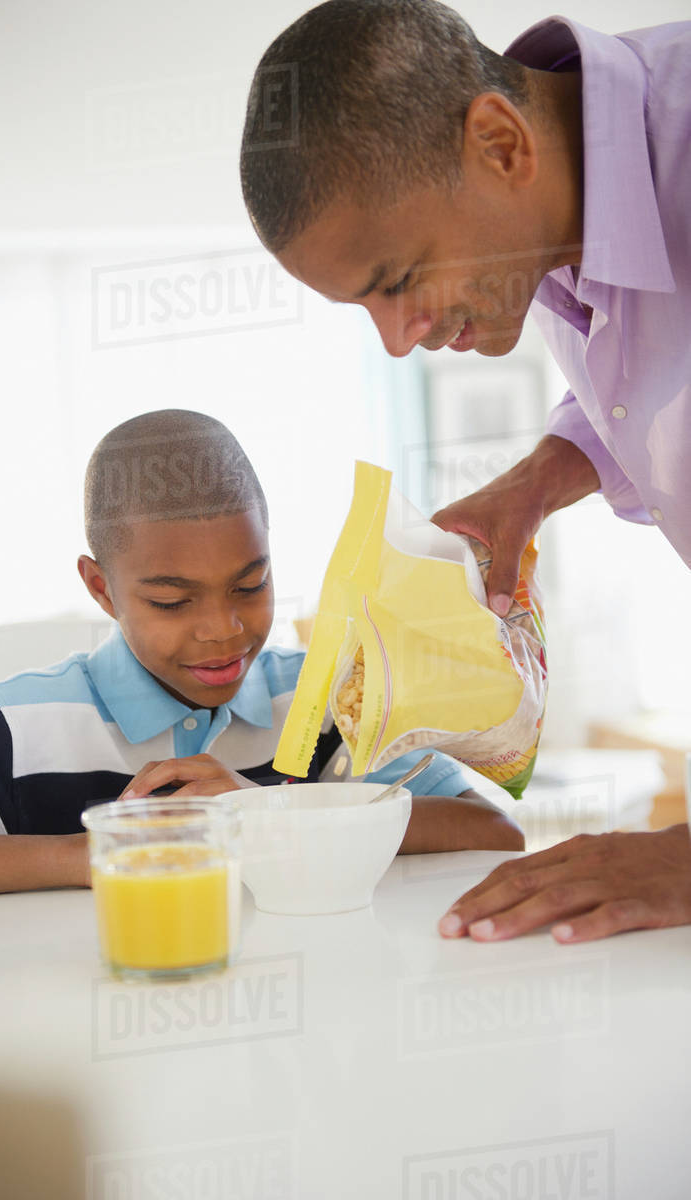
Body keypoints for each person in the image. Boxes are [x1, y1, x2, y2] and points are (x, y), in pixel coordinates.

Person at [240, 0, 691, 941]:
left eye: (399, 281)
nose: (401, 343)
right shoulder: (559, 228)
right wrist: (537, 481)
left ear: (498, 143)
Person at [0, 409, 523, 901]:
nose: (223, 630)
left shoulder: (330, 699)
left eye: (251, 587)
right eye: (171, 602)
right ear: (101, 588)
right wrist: (92, 854)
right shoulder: (19, 727)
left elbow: (494, 831)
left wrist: (268, 814)